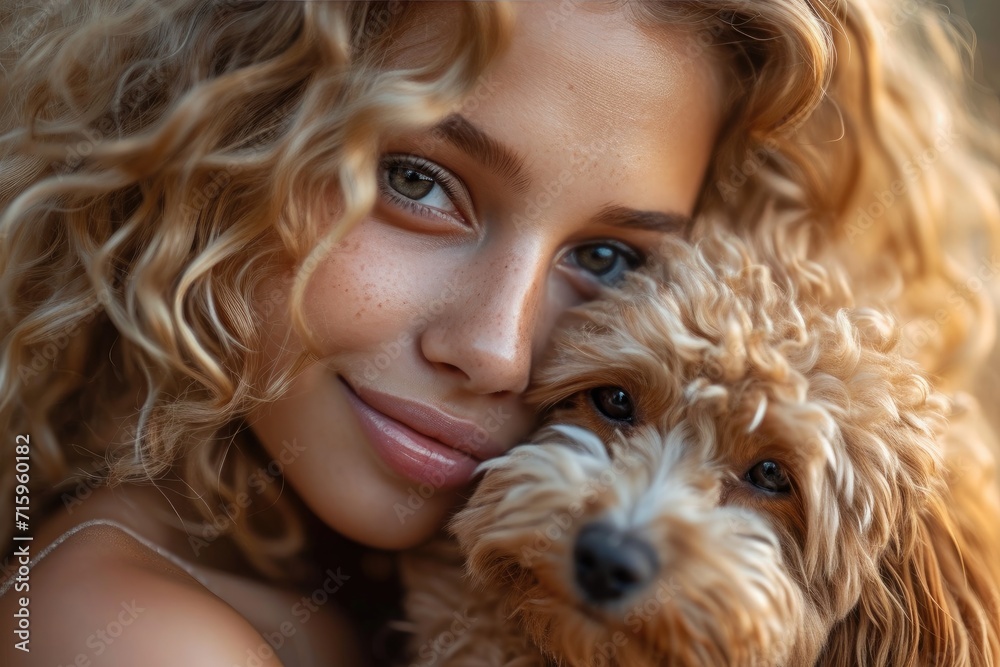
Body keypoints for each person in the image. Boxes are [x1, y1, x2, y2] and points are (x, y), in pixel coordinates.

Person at [0, 1, 997, 665]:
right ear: (230, 141)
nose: (497, 349)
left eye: (608, 258)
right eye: (418, 182)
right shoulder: (128, 635)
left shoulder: (371, 589)